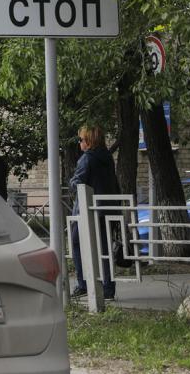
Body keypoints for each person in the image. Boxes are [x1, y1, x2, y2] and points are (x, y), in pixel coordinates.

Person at [69, 125, 119, 300]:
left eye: (81, 140)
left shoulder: (86, 159)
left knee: (75, 242)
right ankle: (108, 289)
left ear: (89, 141)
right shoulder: (107, 157)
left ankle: (83, 284)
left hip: (89, 211)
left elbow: (78, 183)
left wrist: (71, 182)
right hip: (108, 208)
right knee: (105, 249)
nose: (80, 143)